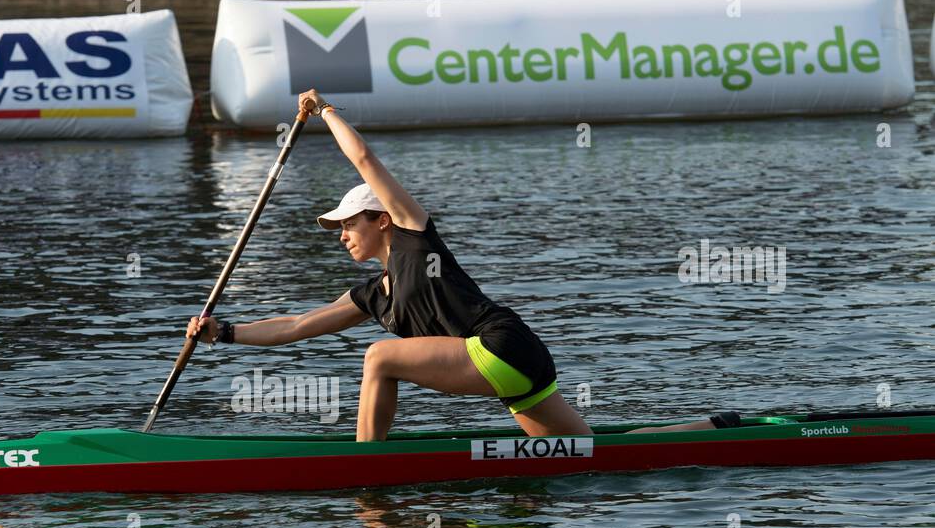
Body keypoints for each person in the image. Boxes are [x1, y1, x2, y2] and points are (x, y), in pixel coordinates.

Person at [187, 89, 738, 441]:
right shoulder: (374, 294)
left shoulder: (411, 234)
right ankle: (716, 430)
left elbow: (364, 159)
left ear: (379, 219)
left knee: (379, 357)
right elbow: (298, 326)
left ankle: (366, 469)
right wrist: (224, 333)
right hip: (516, 367)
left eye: (348, 225)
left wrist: (324, 110)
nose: (342, 236)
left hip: (501, 345)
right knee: (584, 451)